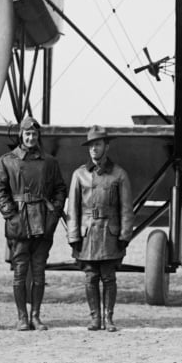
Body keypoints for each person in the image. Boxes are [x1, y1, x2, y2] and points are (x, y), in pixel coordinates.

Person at [0, 116, 67, 331]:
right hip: (19, 222)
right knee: (19, 272)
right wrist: (11, 215)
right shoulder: (7, 160)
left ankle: (36, 315)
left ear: (38, 136)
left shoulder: (49, 161)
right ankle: (21, 317)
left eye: (34, 134)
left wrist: (53, 215)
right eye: (27, 134)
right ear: (21, 135)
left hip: (43, 222)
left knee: (38, 271)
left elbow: (60, 189)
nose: (31, 137)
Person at [67, 126, 134, 331]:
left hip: (109, 233)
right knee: (90, 277)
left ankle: (109, 318)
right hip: (88, 235)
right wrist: (73, 235)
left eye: (97, 144)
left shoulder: (119, 174)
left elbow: (126, 208)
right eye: (90, 145)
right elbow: (73, 208)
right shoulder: (79, 175)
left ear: (106, 146)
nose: (94, 149)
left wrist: (125, 234)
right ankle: (95, 318)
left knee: (109, 277)